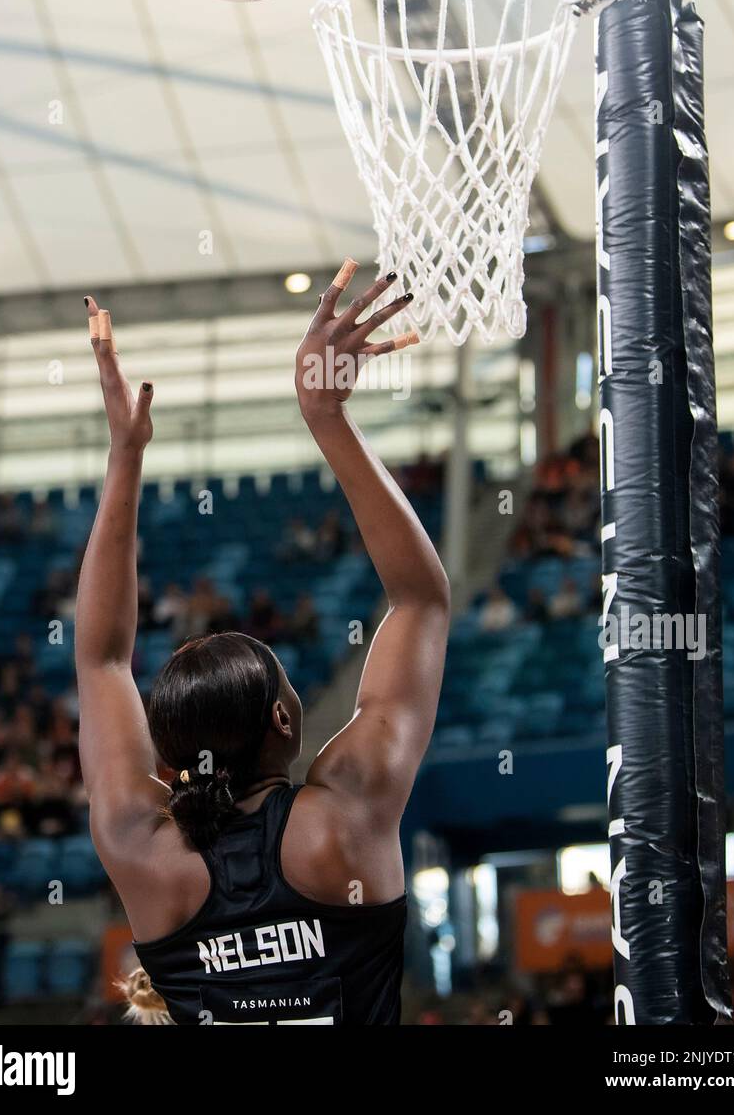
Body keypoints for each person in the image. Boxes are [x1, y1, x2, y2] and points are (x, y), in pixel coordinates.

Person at [75, 262, 449, 1027]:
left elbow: (100, 658)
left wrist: (125, 455)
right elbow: (419, 598)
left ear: (169, 762)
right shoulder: (343, 816)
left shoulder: (144, 853)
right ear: (284, 721)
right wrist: (325, 417)